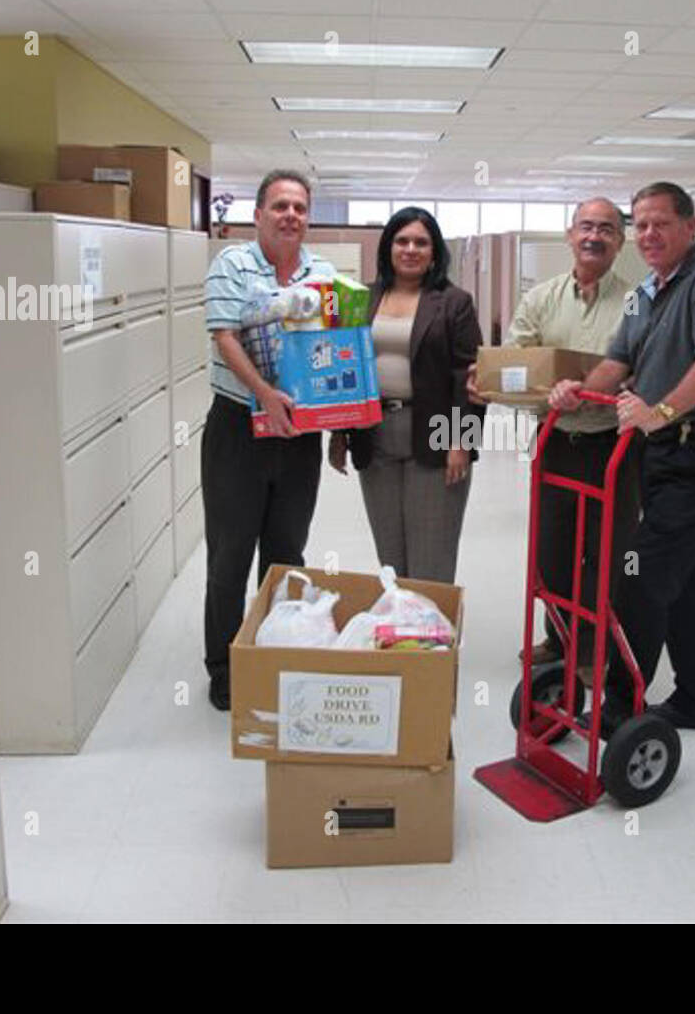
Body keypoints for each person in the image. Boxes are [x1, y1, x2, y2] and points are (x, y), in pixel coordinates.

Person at [550, 181, 695, 733]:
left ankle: (618, 707)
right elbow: (618, 360)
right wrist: (575, 393)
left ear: (692, 226)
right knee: (684, 581)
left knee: (639, 576)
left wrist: (659, 411)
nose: (649, 234)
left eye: (661, 222)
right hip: (662, 456)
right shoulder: (647, 291)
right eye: (640, 224)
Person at [466, 197, 640, 669]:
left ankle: (589, 648)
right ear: (570, 234)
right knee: (553, 549)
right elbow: (515, 357)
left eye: (606, 229)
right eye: (586, 226)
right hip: (556, 439)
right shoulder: (541, 298)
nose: (594, 237)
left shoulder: (637, 301)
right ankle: (559, 636)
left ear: (620, 242)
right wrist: (488, 380)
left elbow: (644, 369)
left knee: (604, 552)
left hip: (613, 445)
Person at [201, 170, 335, 710]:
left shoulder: (321, 271)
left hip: (298, 435)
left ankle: (274, 653)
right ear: (258, 215)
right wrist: (265, 392)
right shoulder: (232, 264)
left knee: (286, 553)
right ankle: (225, 669)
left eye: (300, 207)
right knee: (230, 554)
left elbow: (335, 344)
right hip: (239, 426)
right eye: (280, 205)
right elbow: (224, 333)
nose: (290, 215)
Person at [328, 207, 484, 583]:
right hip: (374, 432)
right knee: (391, 557)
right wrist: (339, 433)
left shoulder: (454, 302)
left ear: (434, 252)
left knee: (432, 558)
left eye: (421, 242)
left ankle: (431, 638)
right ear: (388, 247)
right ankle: (401, 634)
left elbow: (470, 377)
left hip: (434, 432)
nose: (410, 249)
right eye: (402, 240)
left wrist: (459, 441)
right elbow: (344, 371)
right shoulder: (362, 297)